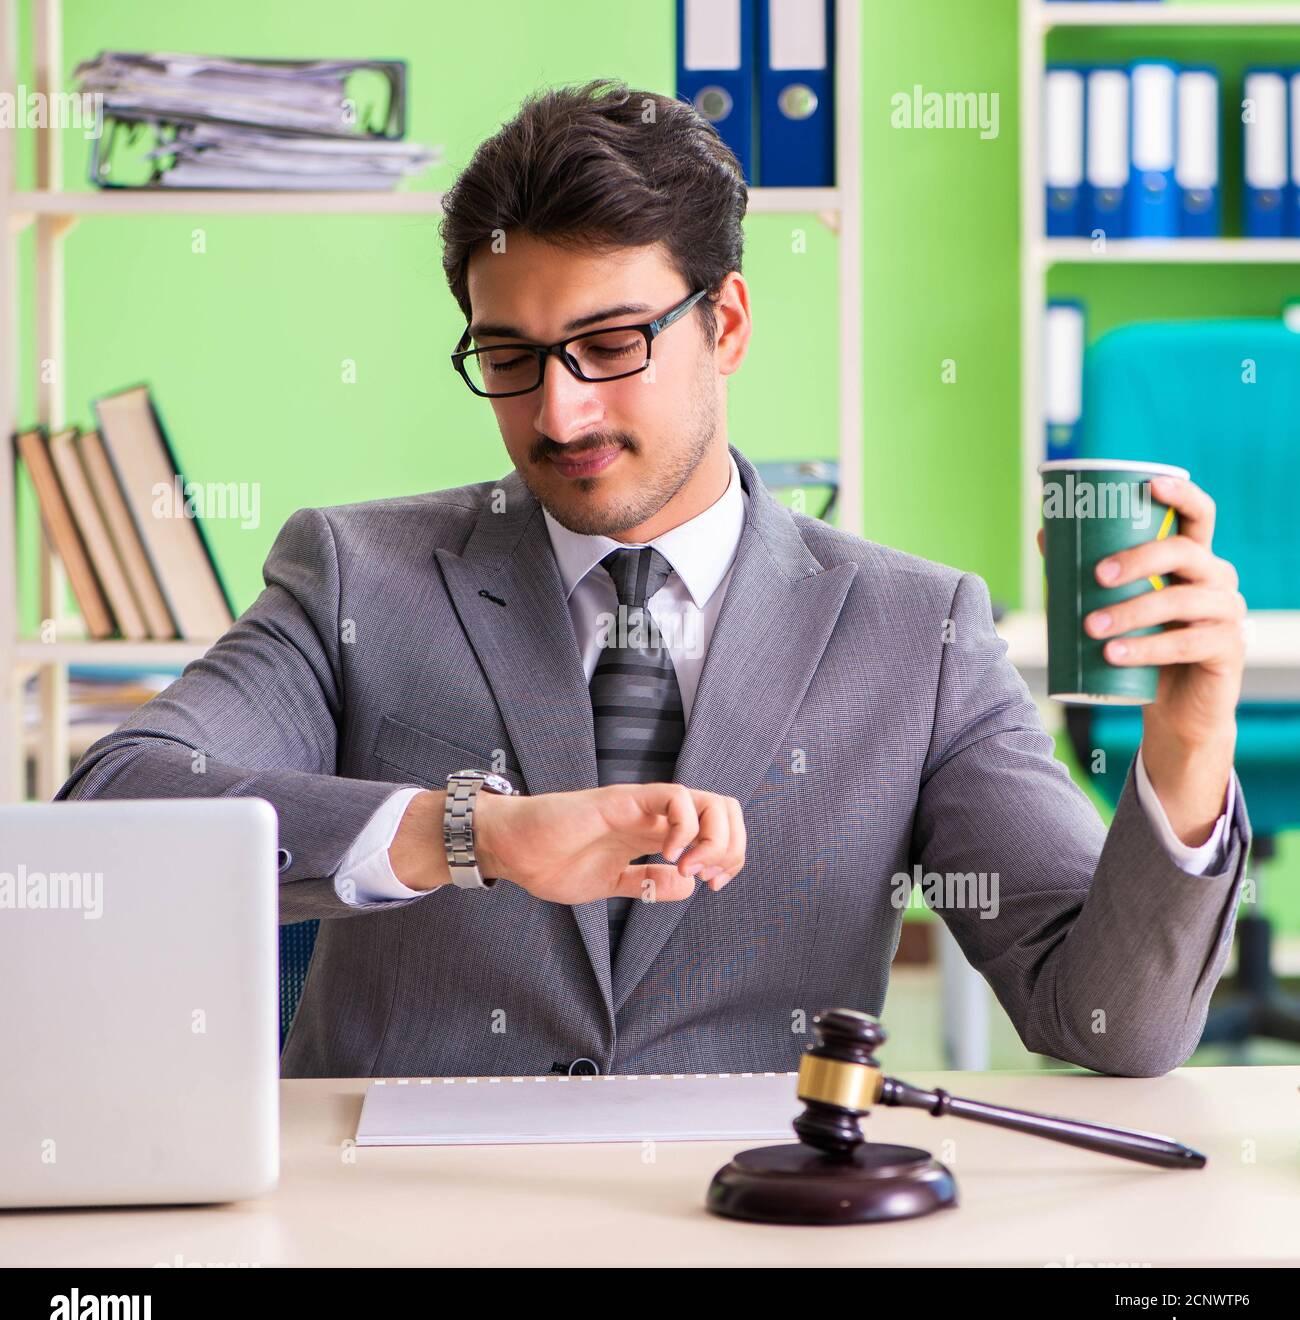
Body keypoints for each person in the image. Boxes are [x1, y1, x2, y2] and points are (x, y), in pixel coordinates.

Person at [59, 80, 1250, 1080]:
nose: (558, 408)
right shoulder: (355, 572)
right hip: (399, 1217)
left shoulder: (916, 630)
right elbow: (118, 807)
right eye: (511, 356)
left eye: (613, 343)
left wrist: (1191, 746)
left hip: (752, 1220)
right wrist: (467, 832)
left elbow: (1110, 1023)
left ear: (724, 323)